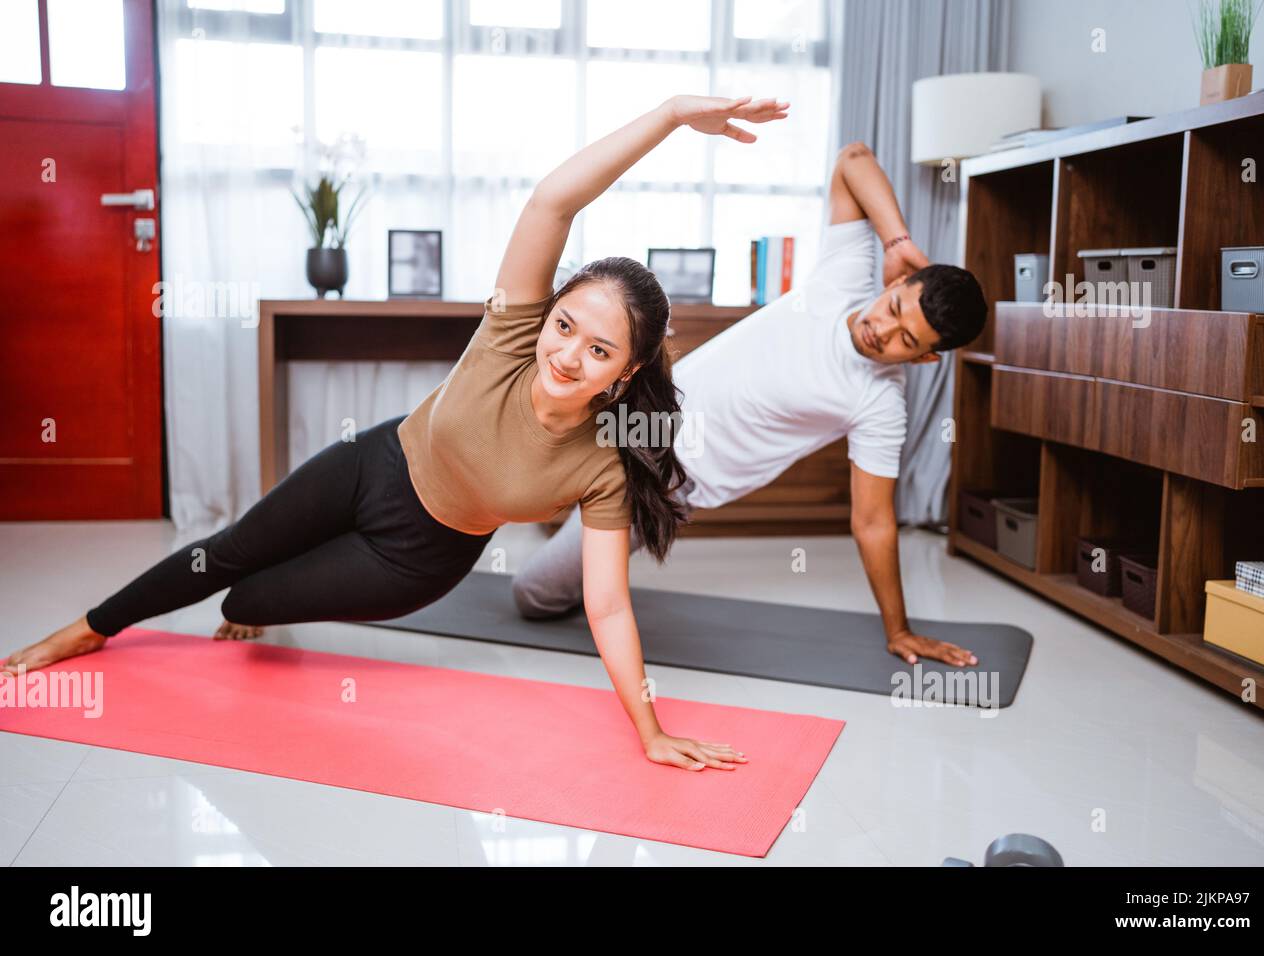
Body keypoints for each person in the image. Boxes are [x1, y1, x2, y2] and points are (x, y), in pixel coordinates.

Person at [1, 94, 791, 772]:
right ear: (545, 314)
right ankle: (86, 630)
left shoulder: (604, 467)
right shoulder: (513, 334)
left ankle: (258, 603)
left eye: (597, 350)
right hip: (373, 460)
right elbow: (553, 202)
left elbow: (609, 608)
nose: (566, 354)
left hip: (420, 556)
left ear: (623, 374)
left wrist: (650, 730)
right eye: (565, 325)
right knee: (235, 548)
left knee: (250, 594)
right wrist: (670, 116)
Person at [512, 140, 989, 668]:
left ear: (924, 359)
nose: (883, 330)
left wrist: (899, 630)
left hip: (662, 477)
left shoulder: (880, 403)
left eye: (907, 339)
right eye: (895, 307)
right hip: (635, 417)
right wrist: (896, 240)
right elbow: (854, 158)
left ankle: (586, 564)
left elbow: (873, 522)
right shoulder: (847, 275)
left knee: (532, 596)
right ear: (895, 281)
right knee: (514, 460)